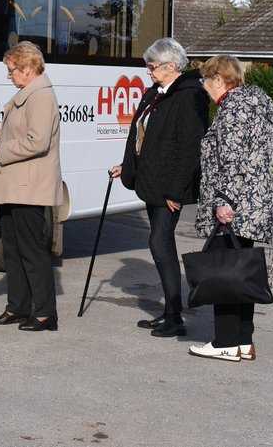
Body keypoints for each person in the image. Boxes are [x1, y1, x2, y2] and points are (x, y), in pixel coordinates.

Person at [108, 37, 208, 338]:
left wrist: (176, 192)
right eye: (148, 66)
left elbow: (191, 149)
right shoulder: (156, 93)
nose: (148, 71)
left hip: (169, 188)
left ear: (171, 66)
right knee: (159, 244)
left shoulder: (190, 96)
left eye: (152, 66)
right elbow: (142, 137)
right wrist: (127, 166)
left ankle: (175, 314)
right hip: (152, 182)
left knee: (159, 242)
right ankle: (169, 313)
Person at [189, 55, 273, 362]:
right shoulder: (256, 103)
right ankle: (243, 342)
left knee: (223, 272)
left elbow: (231, 159)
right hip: (253, 204)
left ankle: (225, 341)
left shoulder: (233, 109)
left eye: (204, 80)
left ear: (218, 79)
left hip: (235, 203)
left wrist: (224, 201)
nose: (203, 87)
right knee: (243, 273)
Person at [0, 41, 64, 332]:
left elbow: (37, 141)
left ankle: (44, 313)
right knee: (13, 251)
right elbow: (27, 137)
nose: (9, 75)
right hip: (17, 185)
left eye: (12, 70)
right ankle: (17, 307)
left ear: (29, 69)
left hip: (29, 187)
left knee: (32, 252)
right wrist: (1, 135)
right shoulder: (28, 94)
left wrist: (0, 151)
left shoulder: (41, 96)